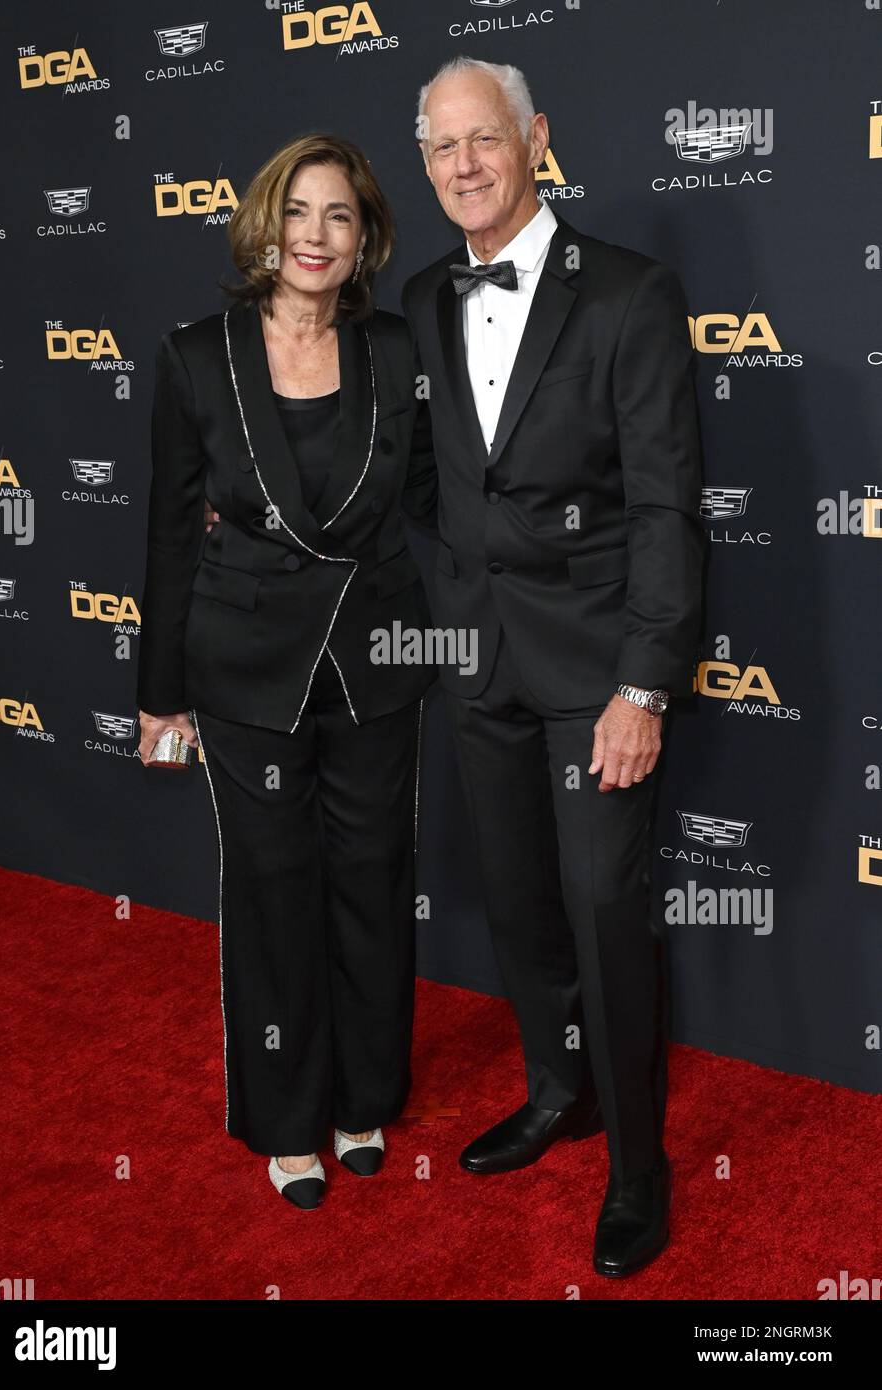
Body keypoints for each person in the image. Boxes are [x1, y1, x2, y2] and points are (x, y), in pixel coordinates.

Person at [401, 56, 706, 1275]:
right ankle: (556, 1092)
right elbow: (425, 480)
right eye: (438, 148)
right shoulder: (421, 298)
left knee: (601, 912)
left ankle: (638, 1162)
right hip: (477, 665)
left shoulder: (627, 294)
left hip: (595, 679)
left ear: (534, 139)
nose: (463, 165)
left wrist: (640, 687)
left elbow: (665, 510)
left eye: (482, 139)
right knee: (522, 908)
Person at [136, 133, 438, 1210]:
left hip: (372, 659)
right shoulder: (191, 354)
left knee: (370, 881)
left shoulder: (398, 350)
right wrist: (160, 695)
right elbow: (173, 532)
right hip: (245, 661)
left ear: (366, 240)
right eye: (298, 213)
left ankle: (362, 1097)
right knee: (272, 891)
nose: (316, 237)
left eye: (340, 217)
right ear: (264, 227)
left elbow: (439, 501)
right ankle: (285, 1119)